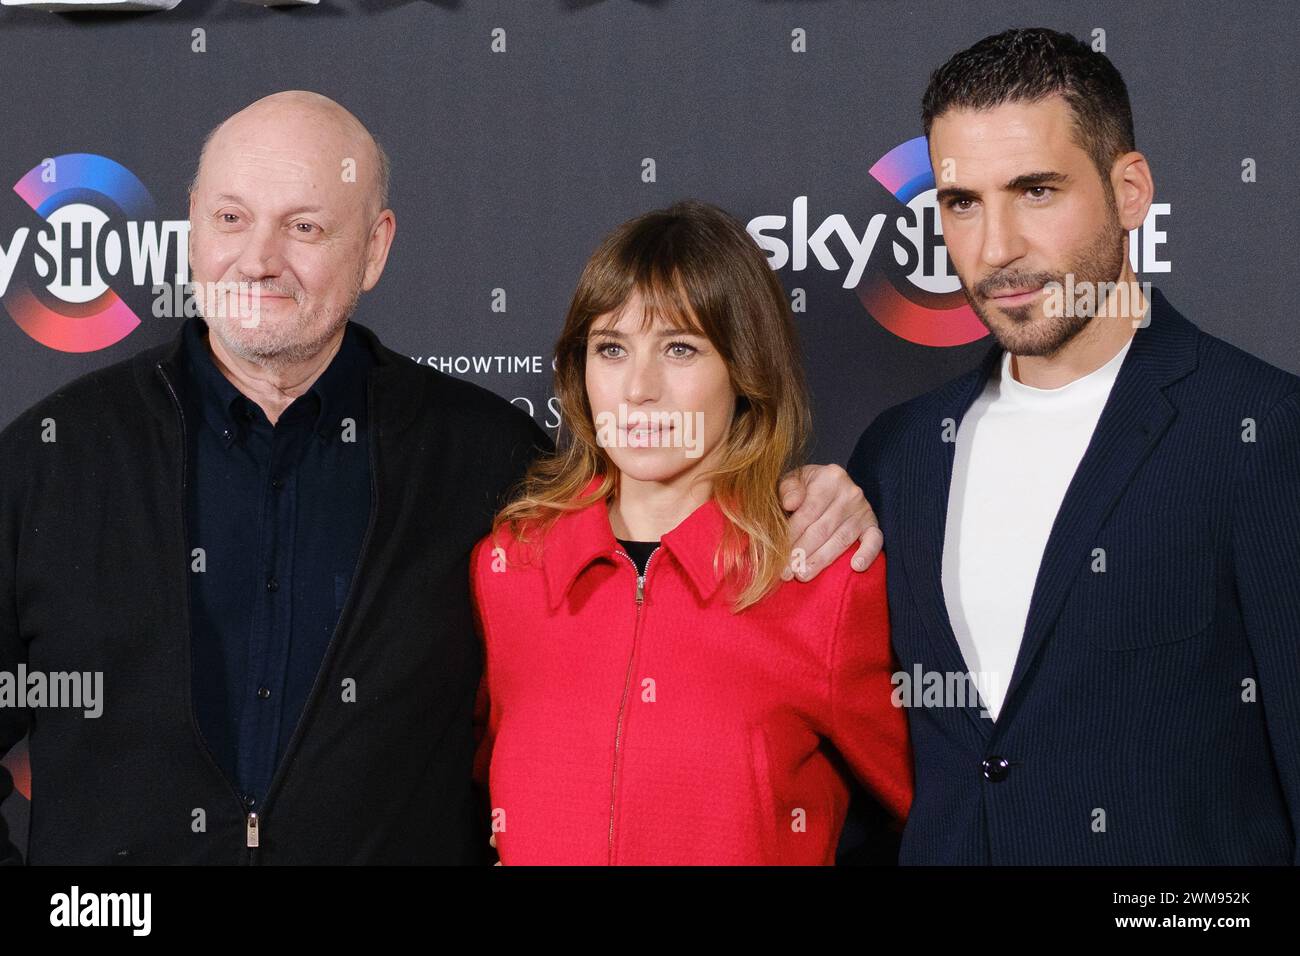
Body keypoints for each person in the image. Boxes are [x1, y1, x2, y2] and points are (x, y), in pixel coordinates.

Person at [0, 92, 883, 864]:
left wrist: (803, 491)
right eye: (231, 218)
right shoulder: (48, 454)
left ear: (375, 248)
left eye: (304, 226)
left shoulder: (489, 462)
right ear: (190, 221)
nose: (258, 258)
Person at [848, 28, 1300, 864]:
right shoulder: (898, 454)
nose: (995, 249)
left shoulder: (1264, 433)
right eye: (962, 203)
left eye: (1037, 191)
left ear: (1130, 190)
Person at [471, 200, 913, 865]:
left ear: (744, 371)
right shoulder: (510, 567)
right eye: (611, 349)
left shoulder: (820, 575)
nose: (639, 389)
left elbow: (947, 815)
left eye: (680, 348)